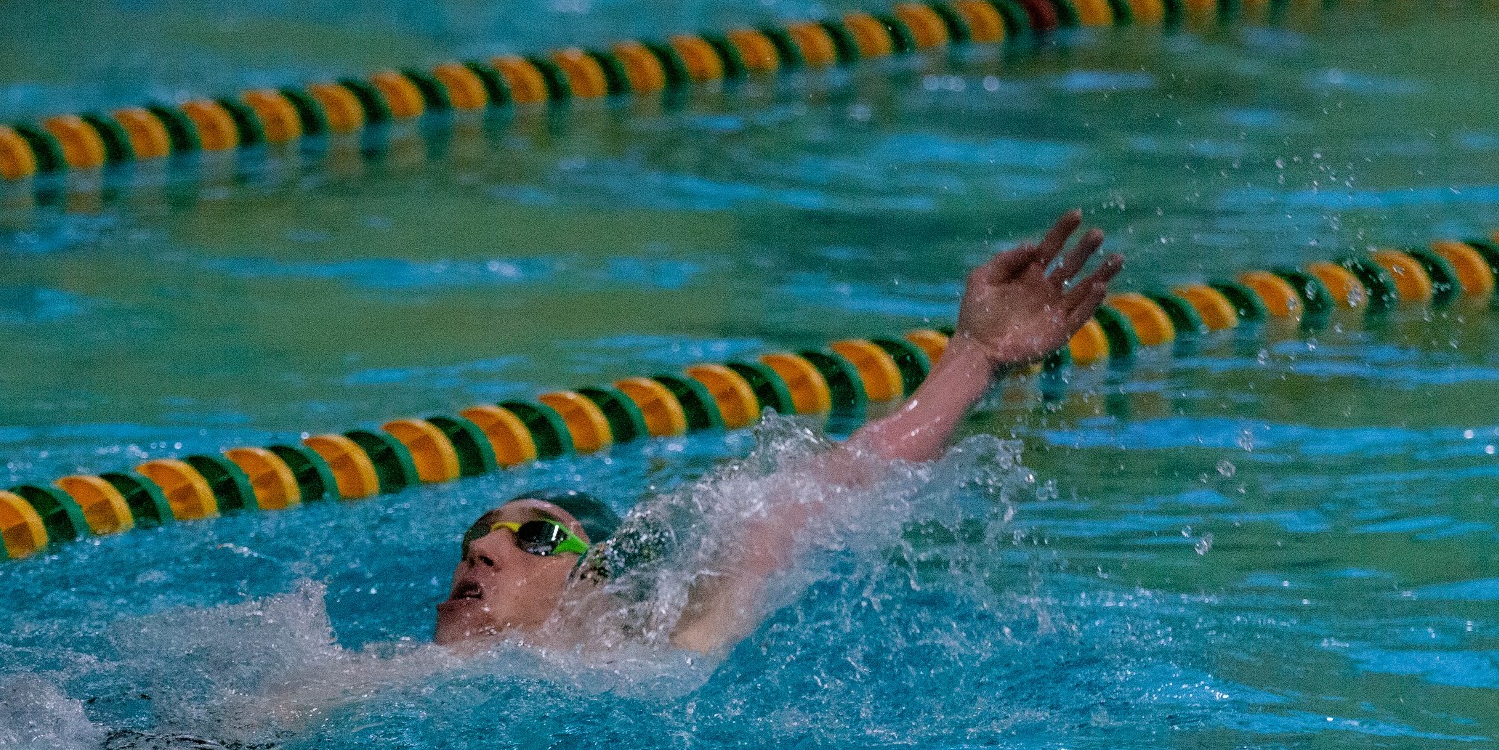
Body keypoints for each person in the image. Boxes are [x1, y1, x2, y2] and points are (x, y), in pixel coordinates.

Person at [433, 209, 1121, 655]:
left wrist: (974, 355)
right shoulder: (398, 676)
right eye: (477, 536)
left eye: (537, 536)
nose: (482, 551)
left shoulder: (672, 649)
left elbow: (834, 485)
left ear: (600, 577)